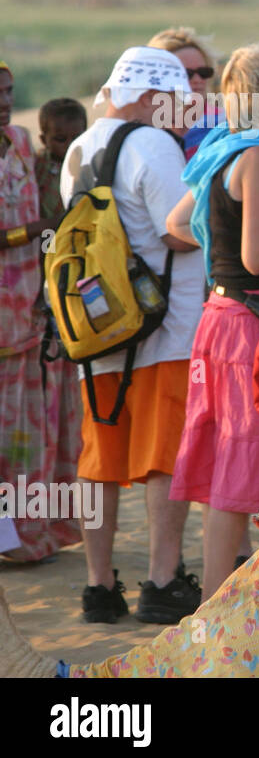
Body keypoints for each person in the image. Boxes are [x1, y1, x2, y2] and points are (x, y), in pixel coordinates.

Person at [58, 47, 205, 624]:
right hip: (163, 325)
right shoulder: (153, 145)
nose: (182, 114)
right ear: (150, 97)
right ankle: (162, 581)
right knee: (163, 455)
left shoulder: (80, 148)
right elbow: (181, 231)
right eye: (174, 103)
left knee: (101, 458)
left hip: (97, 329)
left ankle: (99, 588)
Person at [163, 43, 259, 601]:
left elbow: (180, 220)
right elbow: (258, 256)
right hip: (252, 322)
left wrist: (221, 243)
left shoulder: (225, 149)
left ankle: (211, 611)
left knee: (230, 470)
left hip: (220, 318)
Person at [0, 70, 84, 564]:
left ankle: (25, 538)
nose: (6, 103)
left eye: (10, 92)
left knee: (29, 438)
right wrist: (33, 229)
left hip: (30, 317)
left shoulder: (18, 144)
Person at [147, 27, 222, 159]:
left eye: (204, 72)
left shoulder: (224, 124)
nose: (198, 80)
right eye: (186, 74)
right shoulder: (144, 128)